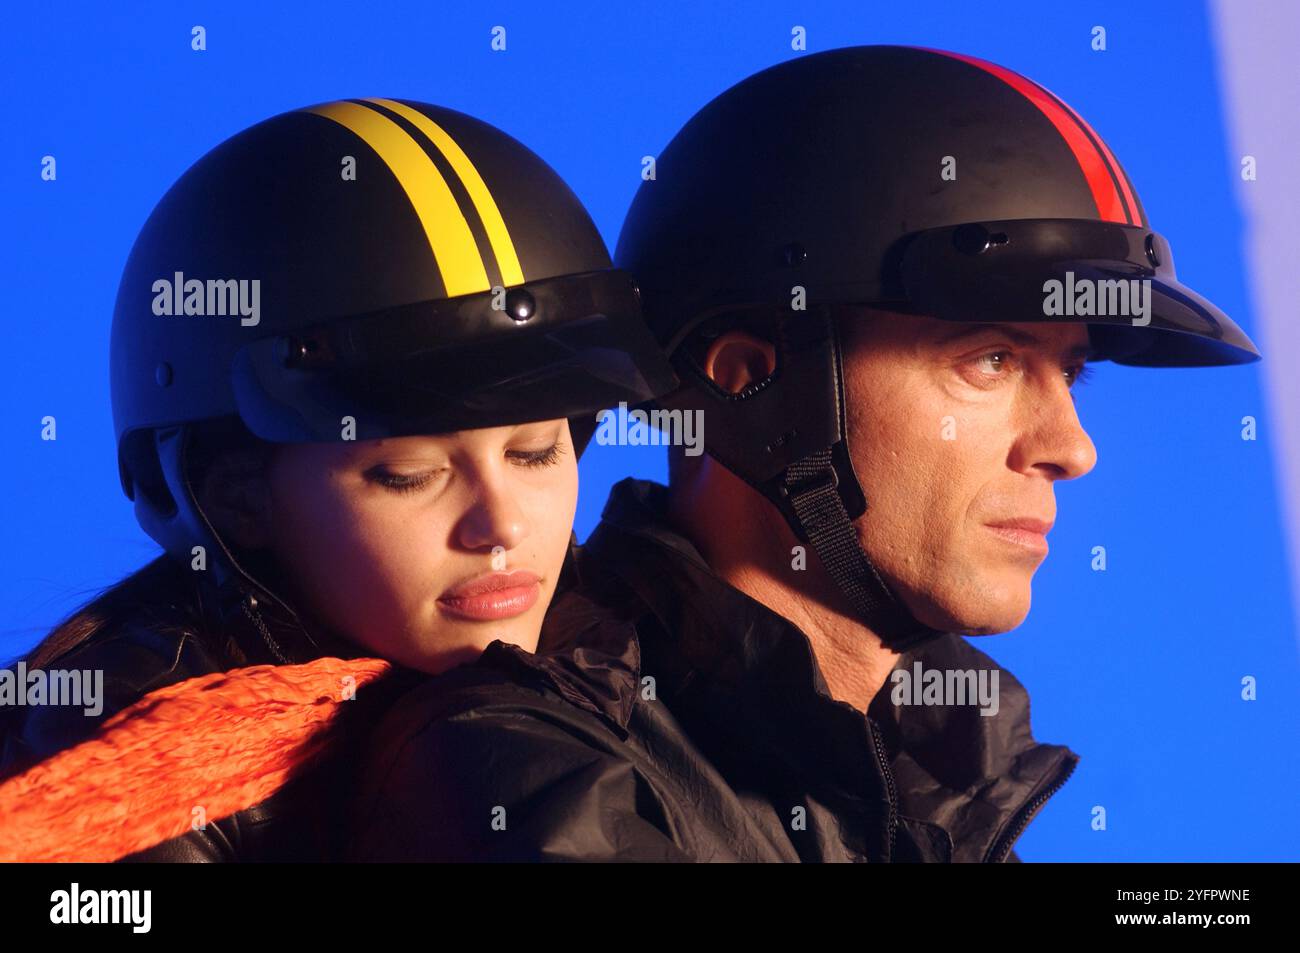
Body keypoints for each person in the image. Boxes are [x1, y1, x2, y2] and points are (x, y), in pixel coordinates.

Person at [348, 46, 1262, 862]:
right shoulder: (526, 771)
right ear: (752, 384)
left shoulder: (933, 781)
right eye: (991, 360)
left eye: (1073, 374)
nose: (1071, 449)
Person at [0, 97, 676, 861]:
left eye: (535, 453)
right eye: (407, 473)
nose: (503, 524)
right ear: (231, 497)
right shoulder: (109, 807)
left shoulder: (638, 672)